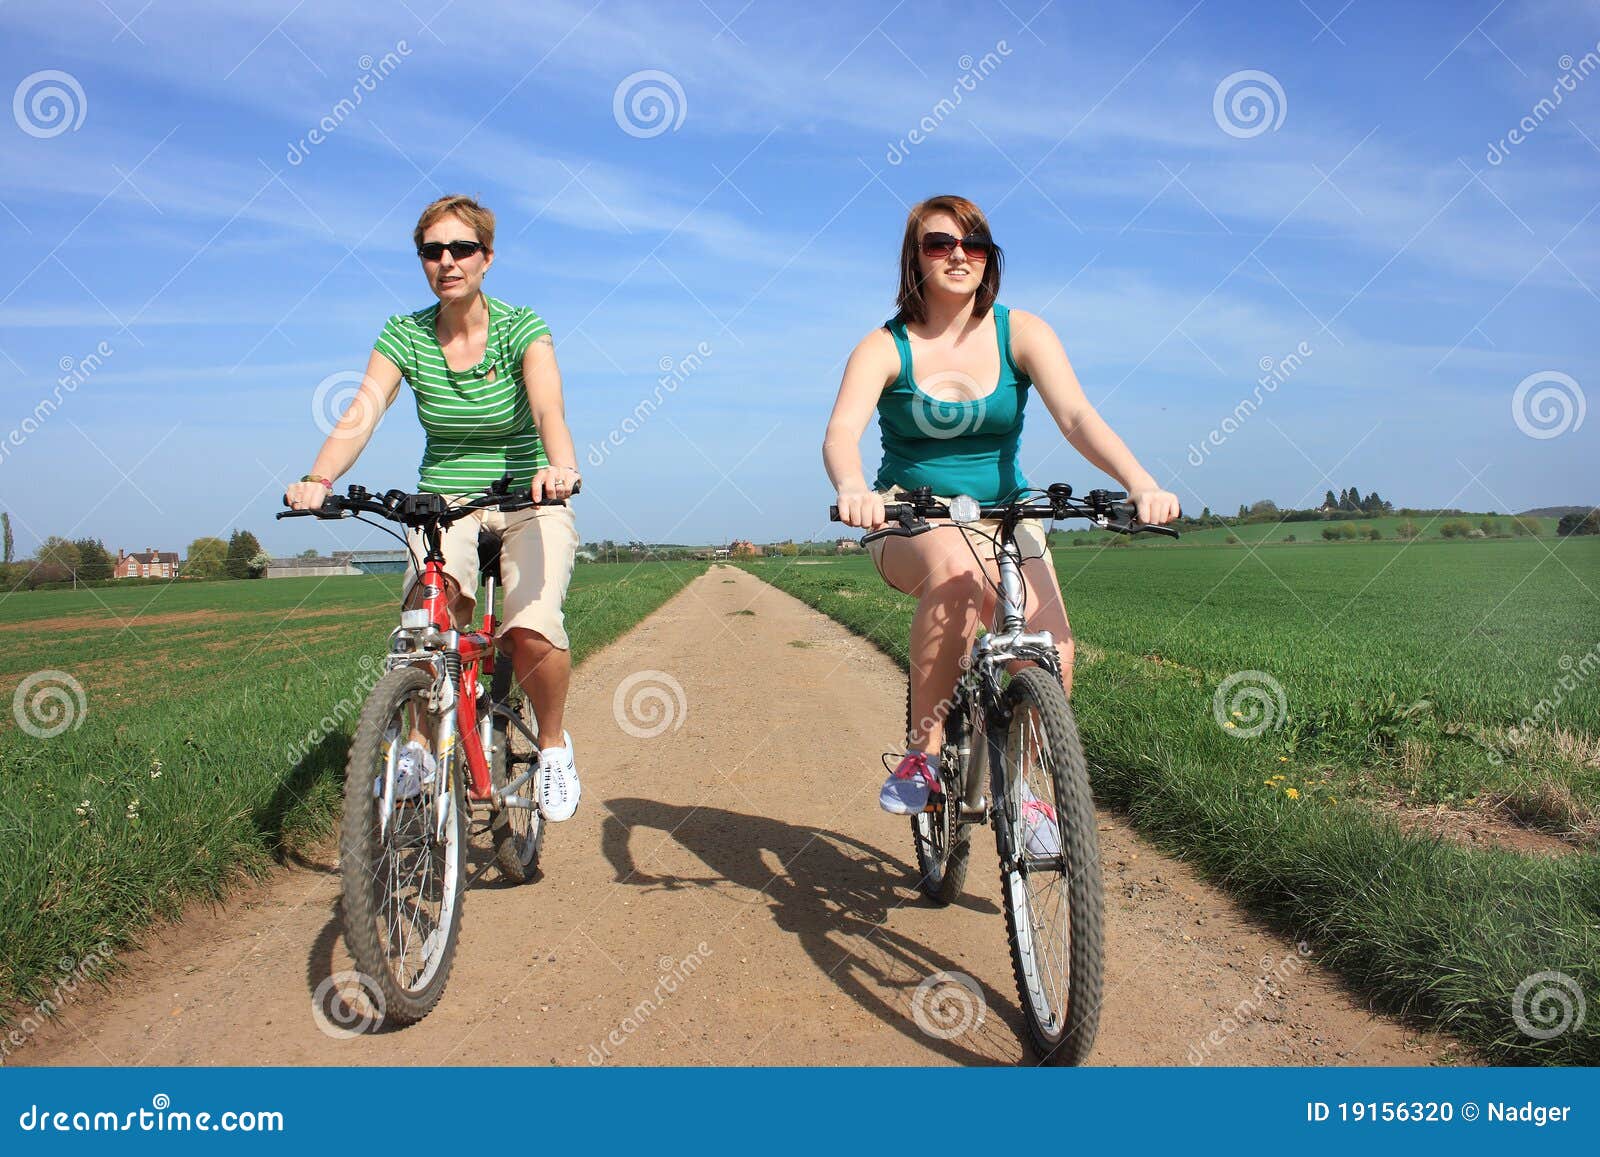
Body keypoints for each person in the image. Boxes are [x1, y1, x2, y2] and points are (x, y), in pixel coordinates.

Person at [823, 194, 1180, 816]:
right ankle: (924, 756)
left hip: (1006, 514)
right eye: (940, 243)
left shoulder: (1024, 332)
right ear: (915, 259)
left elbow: (1075, 417)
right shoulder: (885, 346)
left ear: (990, 258)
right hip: (911, 514)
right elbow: (840, 433)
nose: (959, 255)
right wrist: (853, 489)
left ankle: (1022, 791)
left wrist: (1140, 481)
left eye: (974, 244)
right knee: (958, 577)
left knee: (1048, 646)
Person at [284, 194, 584, 822]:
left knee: (529, 630)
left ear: (487, 258)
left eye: (462, 249)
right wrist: (319, 476)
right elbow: (360, 414)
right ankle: (420, 742)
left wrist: (559, 466)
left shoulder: (521, 327)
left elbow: (549, 408)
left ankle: (553, 745)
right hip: (446, 500)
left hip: (527, 495)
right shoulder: (406, 334)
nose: (447, 261)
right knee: (431, 623)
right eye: (433, 250)